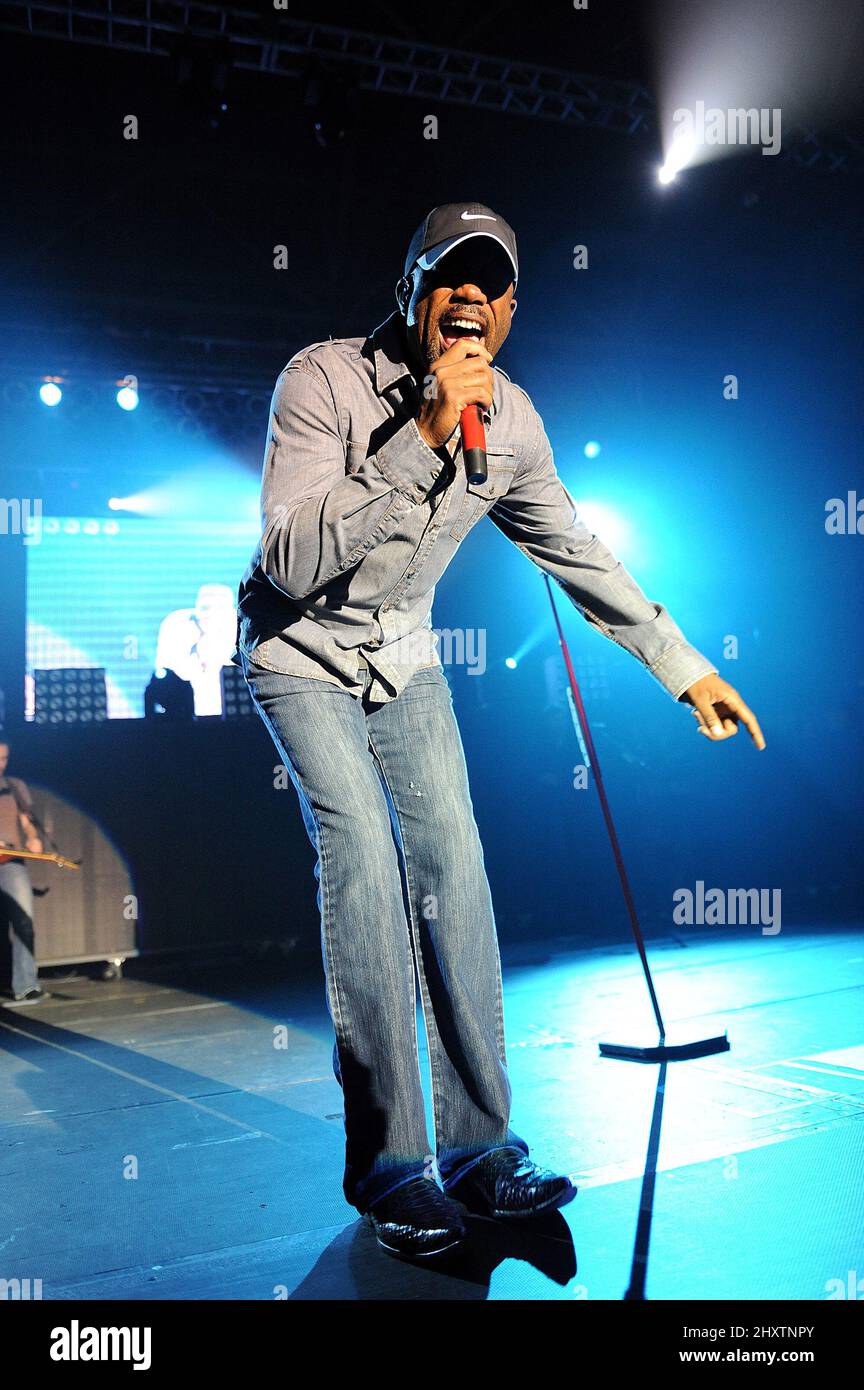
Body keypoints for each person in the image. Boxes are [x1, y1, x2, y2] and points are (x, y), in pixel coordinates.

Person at [234, 202, 766, 1260]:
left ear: (513, 310)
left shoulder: (513, 423)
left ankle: (480, 1150)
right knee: (368, 869)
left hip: (406, 658)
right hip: (297, 652)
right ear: (412, 292)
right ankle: (391, 1168)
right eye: (450, 277)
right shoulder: (322, 380)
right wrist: (422, 432)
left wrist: (684, 664)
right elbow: (289, 563)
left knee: (456, 870)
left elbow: (578, 550)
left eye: (493, 283)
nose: (470, 296)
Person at [0, 737, 48, 1005]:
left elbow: (26, 822)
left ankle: (26, 985)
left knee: (23, 923)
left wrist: (32, 837)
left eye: (5, 758)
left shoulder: (15, 786)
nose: (1, 764)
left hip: (11, 863)